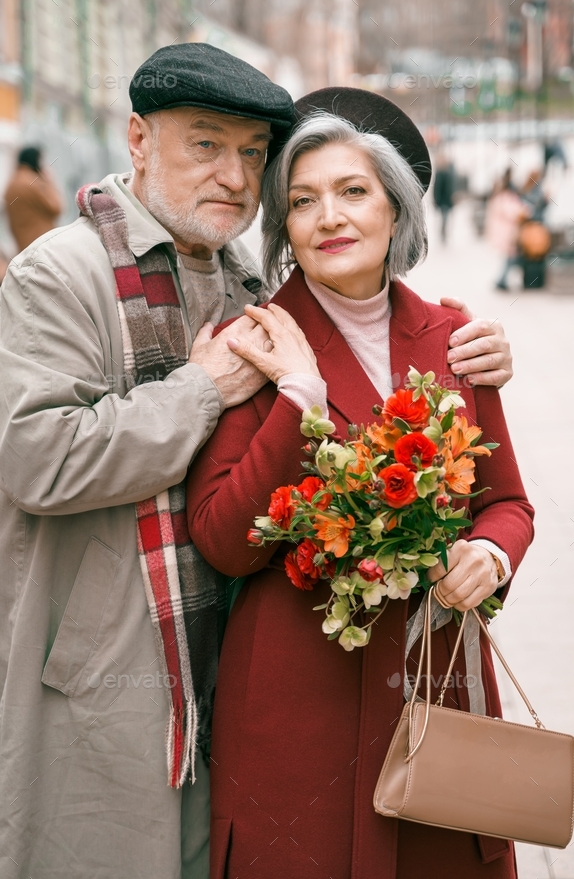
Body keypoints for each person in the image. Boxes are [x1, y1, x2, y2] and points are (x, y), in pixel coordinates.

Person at [0, 48, 513, 879]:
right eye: (205, 145)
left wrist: (471, 360)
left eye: (252, 154)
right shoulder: (63, 274)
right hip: (101, 666)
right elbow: (37, 460)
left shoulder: (241, 285)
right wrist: (205, 389)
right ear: (138, 140)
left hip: (219, 662)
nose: (233, 176)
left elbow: (489, 483)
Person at [186, 89, 535, 879]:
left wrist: (490, 554)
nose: (329, 217)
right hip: (297, 699)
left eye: (352, 191)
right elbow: (223, 540)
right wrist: (298, 400)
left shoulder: (455, 339)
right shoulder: (252, 343)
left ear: (395, 209)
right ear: (284, 228)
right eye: (303, 201)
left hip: (433, 689)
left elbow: (507, 502)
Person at [3, 146, 63, 251]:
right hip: (42, 244)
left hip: (23, 245)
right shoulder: (33, 182)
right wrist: (48, 181)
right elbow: (57, 208)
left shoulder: (13, 182)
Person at [487, 169, 529, 291]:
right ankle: (501, 280)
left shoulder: (498, 197)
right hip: (507, 233)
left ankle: (502, 280)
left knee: (510, 257)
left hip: (503, 232)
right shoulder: (506, 198)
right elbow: (513, 212)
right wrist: (526, 210)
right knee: (510, 257)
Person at [432, 151, 456, 243]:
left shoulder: (449, 173)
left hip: (447, 199)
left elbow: (452, 187)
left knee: (445, 218)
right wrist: (435, 199)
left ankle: (443, 233)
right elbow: (436, 188)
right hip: (441, 200)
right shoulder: (439, 173)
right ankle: (443, 233)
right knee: (443, 217)